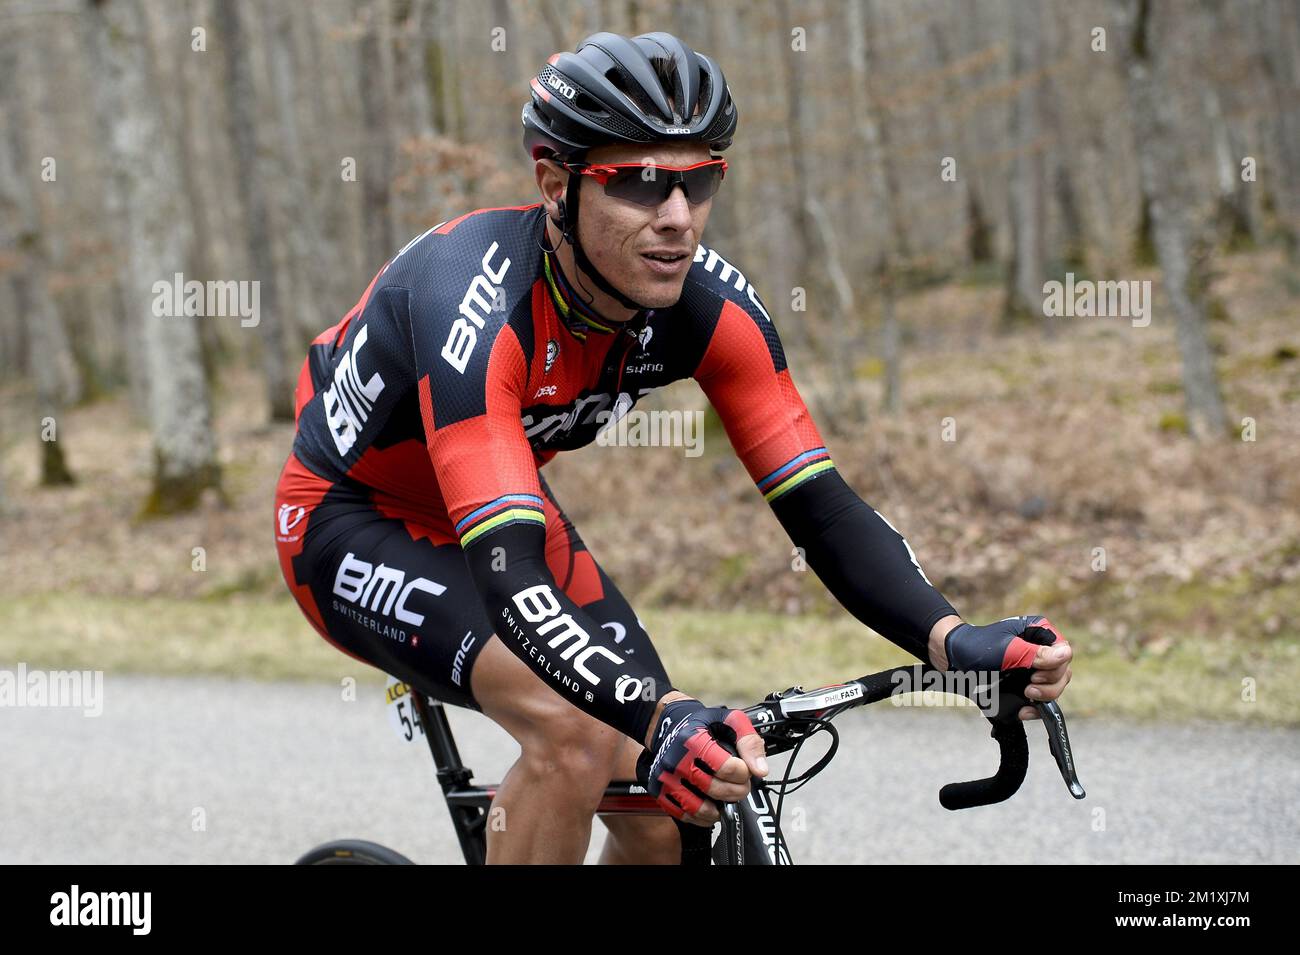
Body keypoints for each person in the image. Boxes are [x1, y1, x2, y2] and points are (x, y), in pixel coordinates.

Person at [273, 30, 1073, 864]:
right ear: (556, 185)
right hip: (349, 518)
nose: (678, 220)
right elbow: (507, 565)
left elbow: (822, 507)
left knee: (677, 804)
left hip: (492, 502)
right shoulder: (469, 300)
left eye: (699, 181)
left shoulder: (708, 307)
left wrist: (952, 641)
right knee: (580, 731)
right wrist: (656, 715)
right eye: (641, 184)